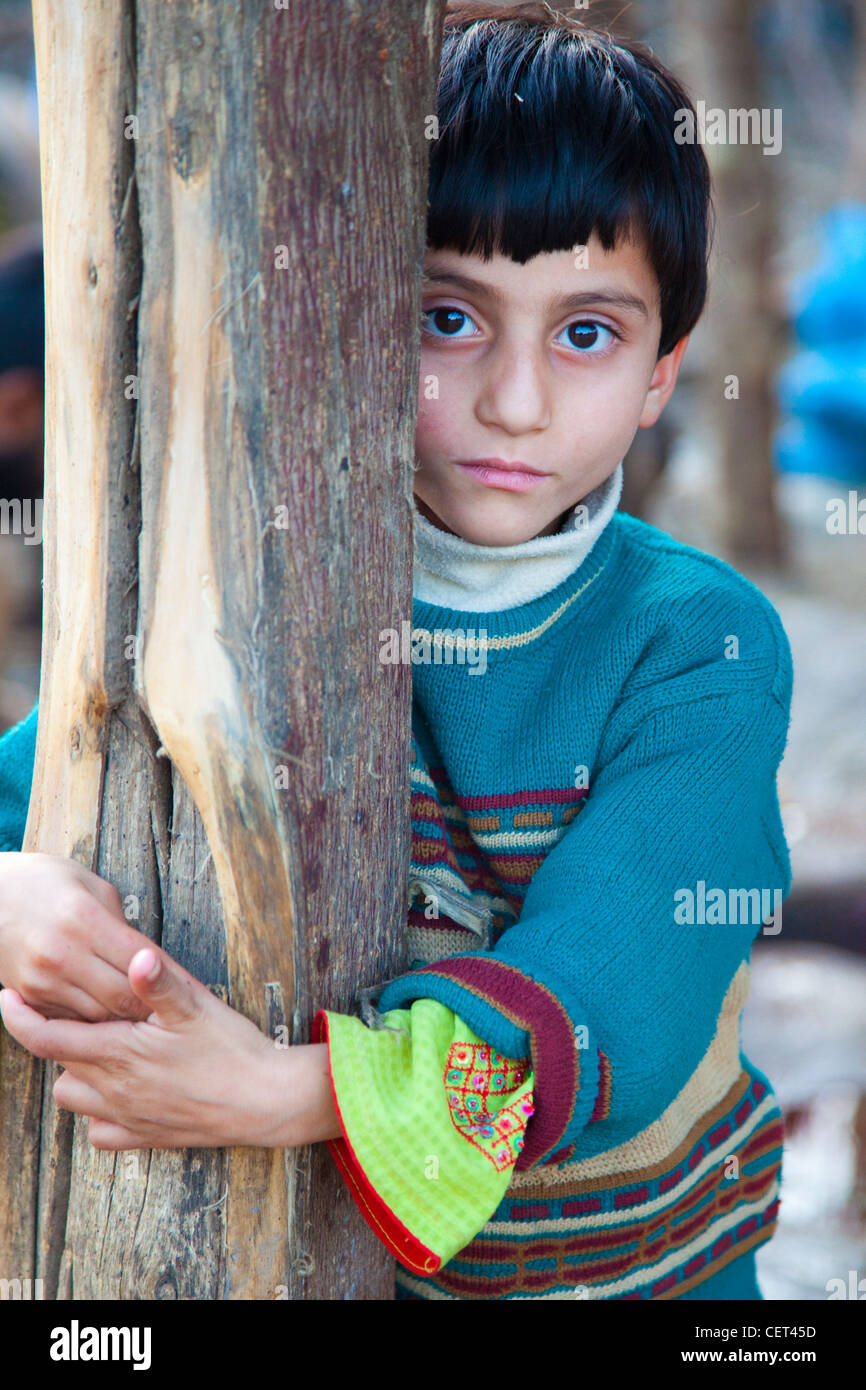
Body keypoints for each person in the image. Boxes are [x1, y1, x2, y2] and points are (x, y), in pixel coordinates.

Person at [0, 3, 789, 1301]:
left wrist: (276, 1093)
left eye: (585, 332)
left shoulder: (694, 642)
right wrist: (17, 898)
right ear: (357, 311)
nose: (514, 399)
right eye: (448, 318)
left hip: (648, 1284)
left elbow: (623, 978)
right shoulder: (253, 589)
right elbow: (34, 786)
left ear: (662, 371)